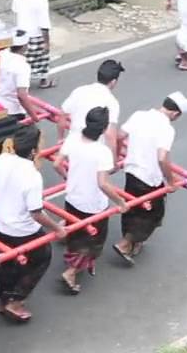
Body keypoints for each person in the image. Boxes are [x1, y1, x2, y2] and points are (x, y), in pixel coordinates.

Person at [0, 125, 64, 323]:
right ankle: (15, 300)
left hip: (0, 223)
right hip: (22, 230)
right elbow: (36, 213)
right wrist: (57, 228)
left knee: (7, 263)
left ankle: (2, 298)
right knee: (41, 258)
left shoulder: (2, 160)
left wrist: (3, 208)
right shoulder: (32, 177)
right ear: (33, 151)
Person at [52, 107, 127, 294]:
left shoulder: (73, 138)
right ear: (103, 129)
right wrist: (120, 202)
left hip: (73, 197)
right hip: (93, 204)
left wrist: (68, 177)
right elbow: (103, 183)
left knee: (76, 234)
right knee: (92, 241)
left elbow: (56, 163)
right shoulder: (101, 152)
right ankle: (71, 272)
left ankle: (75, 260)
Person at [115, 92, 187, 264]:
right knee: (152, 214)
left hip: (131, 171)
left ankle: (130, 241)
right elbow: (162, 158)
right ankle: (126, 243)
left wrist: (117, 157)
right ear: (175, 114)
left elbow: (120, 136)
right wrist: (171, 181)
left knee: (132, 206)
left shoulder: (139, 116)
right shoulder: (166, 129)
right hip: (149, 178)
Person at [60, 59, 125, 154]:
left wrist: (60, 138)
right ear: (113, 81)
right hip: (95, 150)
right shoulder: (112, 102)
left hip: (73, 145)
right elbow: (110, 134)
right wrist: (113, 160)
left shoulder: (79, 91)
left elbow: (62, 115)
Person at [11, 0, 54, 89]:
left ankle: (17, 82)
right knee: (42, 58)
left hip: (22, 32)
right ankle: (43, 81)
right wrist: (47, 42)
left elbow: (15, 9)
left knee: (22, 59)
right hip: (35, 34)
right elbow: (44, 23)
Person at [0, 30, 36, 120]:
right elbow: (21, 95)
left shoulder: (0, 55)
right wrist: (34, 116)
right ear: (25, 46)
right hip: (13, 111)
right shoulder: (22, 66)